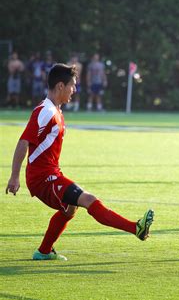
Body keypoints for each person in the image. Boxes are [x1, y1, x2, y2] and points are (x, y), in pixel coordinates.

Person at [5, 63, 154, 261]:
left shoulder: (56, 111)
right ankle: (136, 228)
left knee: (70, 209)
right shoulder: (45, 111)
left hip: (50, 174)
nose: (74, 90)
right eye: (72, 85)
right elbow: (24, 142)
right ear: (60, 86)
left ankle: (43, 251)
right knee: (88, 200)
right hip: (43, 178)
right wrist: (14, 176)